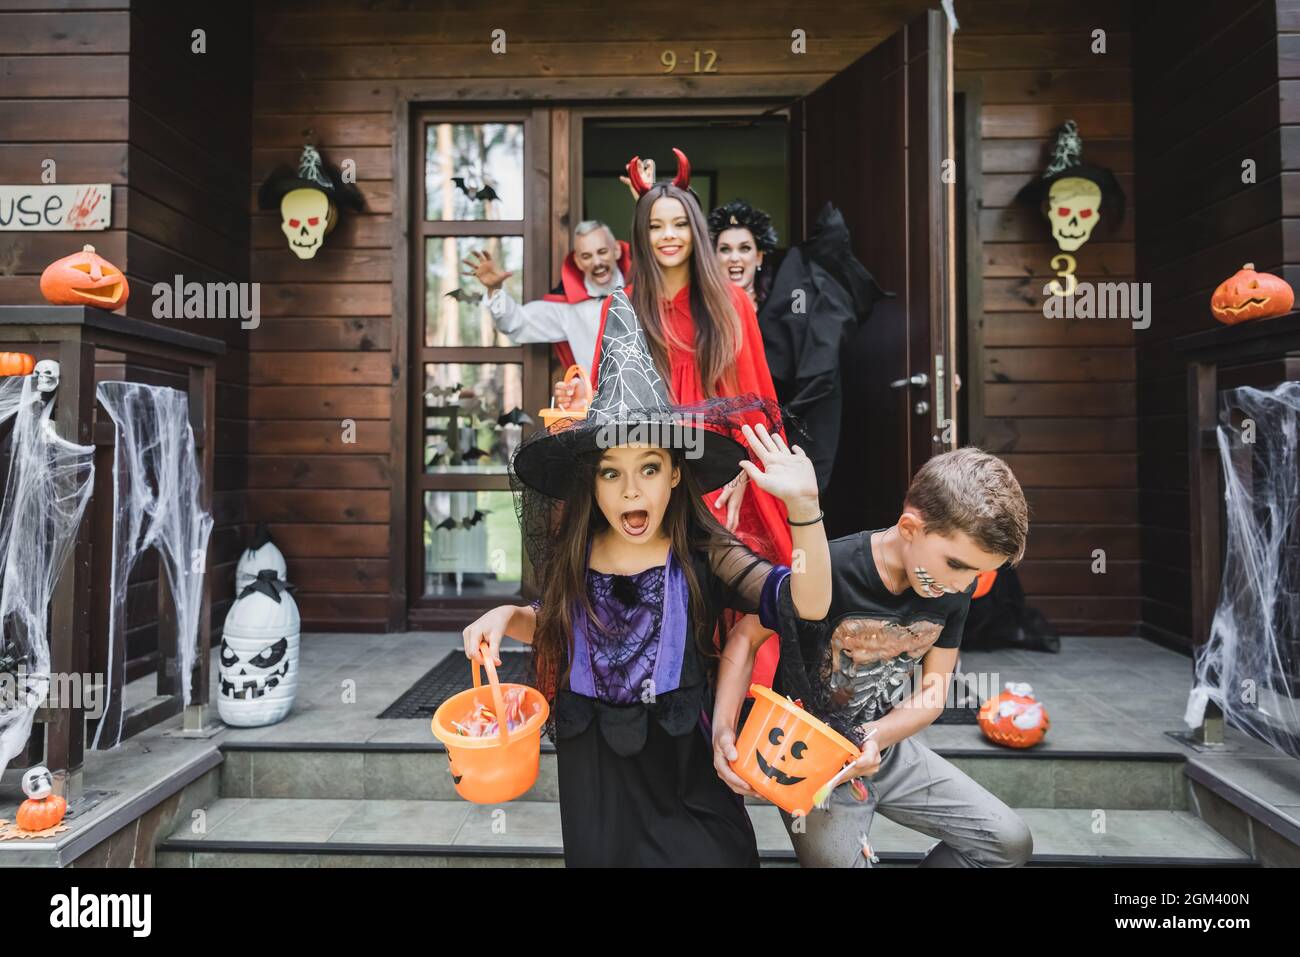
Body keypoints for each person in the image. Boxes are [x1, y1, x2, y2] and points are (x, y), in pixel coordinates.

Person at [460, 287, 831, 867]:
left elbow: (806, 602)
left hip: (684, 773)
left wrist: (806, 512)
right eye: (612, 473)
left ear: (676, 476)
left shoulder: (706, 551)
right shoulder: (576, 554)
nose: (632, 489)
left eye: (650, 468)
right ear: (594, 483)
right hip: (598, 780)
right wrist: (508, 617)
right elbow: (565, 630)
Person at [712, 447, 1036, 868]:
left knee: (1009, 841)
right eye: (957, 564)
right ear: (909, 528)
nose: (962, 584)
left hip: (882, 745)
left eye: (977, 573)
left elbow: (934, 691)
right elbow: (744, 636)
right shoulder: (834, 566)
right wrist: (723, 728)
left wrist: (878, 735)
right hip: (808, 756)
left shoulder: (952, 588)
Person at [570, 149, 793, 691]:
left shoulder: (731, 302)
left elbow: (754, 397)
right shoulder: (620, 304)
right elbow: (610, 402)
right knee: (660, 589)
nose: (668, 235)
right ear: (640, 236)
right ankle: (666, 696)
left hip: (721, 464)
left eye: (678, 223)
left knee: (735, 587)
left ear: (694, 229)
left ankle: (734, 715)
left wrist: (747, 474)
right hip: (653, 468)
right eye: (655, 225)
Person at [463, 220, 631, 379]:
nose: (597, 262)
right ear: (578, 262)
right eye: (587, 256)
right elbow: (517, 323)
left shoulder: (645, 292)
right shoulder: (566, 309)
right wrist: (495, 289)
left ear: (616, 250)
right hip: (600, 404)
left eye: (602, 252)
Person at [708, 199, 779, 311]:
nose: (734, 258)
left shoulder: (777, 310)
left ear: (758, 257)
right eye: (725, 249)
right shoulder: (703, 310)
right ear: (714, 257)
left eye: (744, 248)